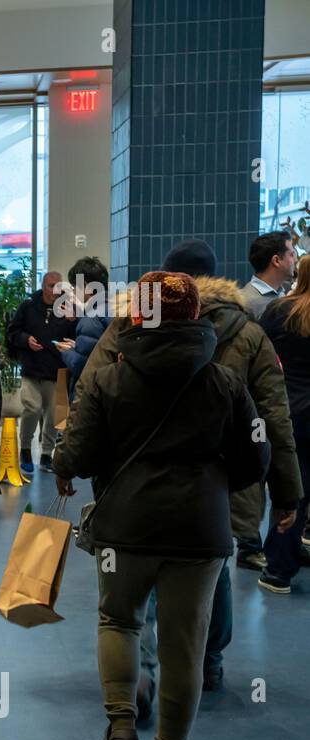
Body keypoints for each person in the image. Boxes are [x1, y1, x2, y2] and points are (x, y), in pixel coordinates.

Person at [54, 271, 270, 740]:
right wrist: (214, 487)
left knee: (119, 620)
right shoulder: (224, 381)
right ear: (195, 315)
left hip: (124, 530)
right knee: (184, 648)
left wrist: (69, 460)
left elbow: (76, 454)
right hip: (200, 535)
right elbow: (255, 458)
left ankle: (122, 732)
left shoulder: (109, 378)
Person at [75, 237, 300, 697]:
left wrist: (76, 458)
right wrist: (287, 491)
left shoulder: (132, 322)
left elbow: (90, 388)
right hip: (216, 488)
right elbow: (273, 418)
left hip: (134, 481)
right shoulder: (248, 332)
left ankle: (142, 672)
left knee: (140, 584)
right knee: (212, 571)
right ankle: (209, 662)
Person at [257, 255, 310, 593]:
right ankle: (285, 553)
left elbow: (261, 356)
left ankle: (278, 566)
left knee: (290, 486)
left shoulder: (279, 311)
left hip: (288, 410)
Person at [6, 270, 77, 476]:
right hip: (32, 369)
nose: (54, 291)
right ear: (43, 286)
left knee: (55, 415)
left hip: (57, 369)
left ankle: (47, 453)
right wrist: (26, 340)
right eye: (50, 286)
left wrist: (73, 321)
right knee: (32, 408)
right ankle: (25, 449)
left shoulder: (68, 308)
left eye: (58, 286)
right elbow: (13, 332)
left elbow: (77, 336)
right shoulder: (28, 306)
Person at [55, 256, 111, 395]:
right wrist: (77, 346)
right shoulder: (113, 308)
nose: (73, 291)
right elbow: (100, 352)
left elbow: (84, 366)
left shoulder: (92, 318)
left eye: (74, 286)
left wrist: (67, 352)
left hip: (92, 394)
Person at [239, 230, 298, 319]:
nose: (296, 260)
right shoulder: (245, 303)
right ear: (276, 261)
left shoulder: (285, 291)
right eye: (291, 255)